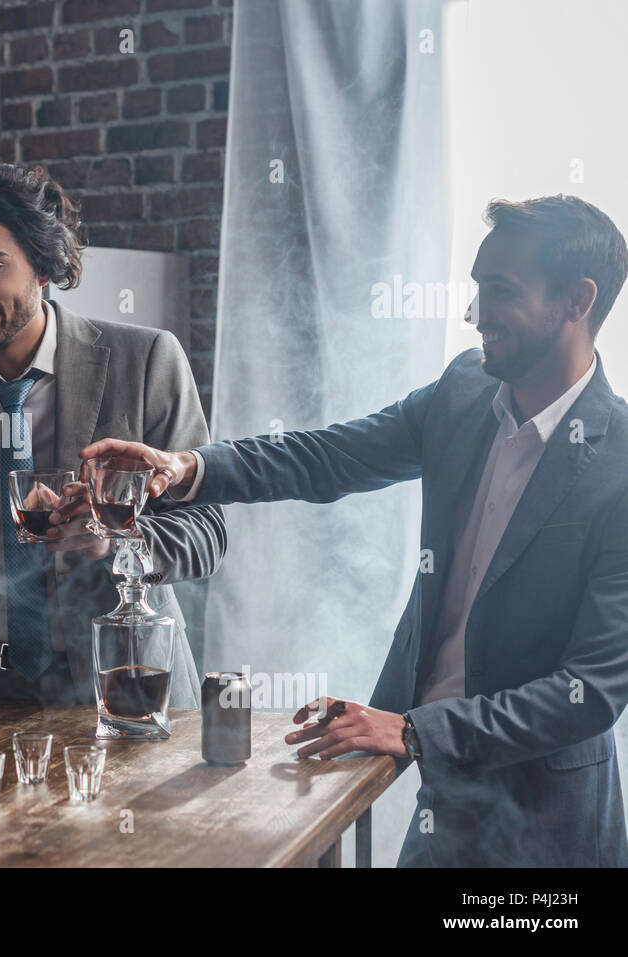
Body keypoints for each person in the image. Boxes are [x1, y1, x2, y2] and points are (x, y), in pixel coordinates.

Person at [83, 195, 628, 867]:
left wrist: (412, 728)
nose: (474, 314)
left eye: (500, 291)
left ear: (578, 300)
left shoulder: (620, 463)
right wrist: (187, 466)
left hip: (549, 828)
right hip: (439, 795)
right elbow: (327, 455)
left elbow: (592, 689)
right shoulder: (463, 391)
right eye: (475, 289)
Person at [0, 163, 226, 713]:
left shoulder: (147, 360)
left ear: (43, 265)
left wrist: (116, 543)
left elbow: (206, 531)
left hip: (124, 680)